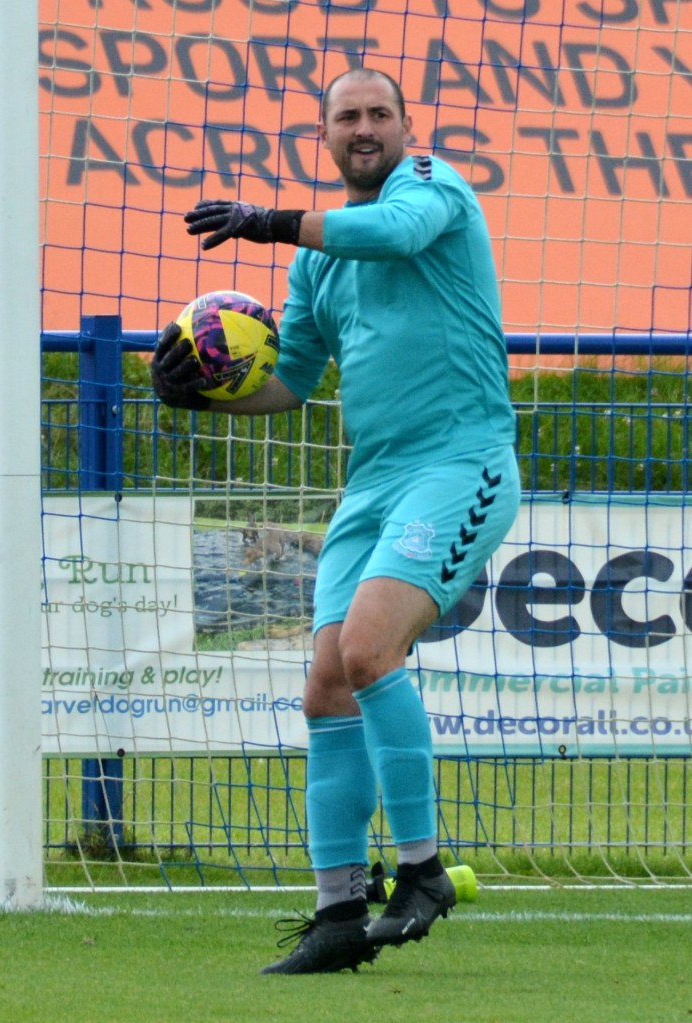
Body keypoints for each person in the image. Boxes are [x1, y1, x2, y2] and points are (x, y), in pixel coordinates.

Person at [151, 67, 520, 974]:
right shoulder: (314, 259)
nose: (364, 128)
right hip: (373, 482)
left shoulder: (430, 186)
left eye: (378, 114)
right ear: (322, 135)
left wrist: (268, 219)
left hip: (460, 460)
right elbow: (292, 379)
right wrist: (200, 398)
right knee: (325, 685)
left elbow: (393, 235)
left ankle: (422, 868)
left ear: (405, 126)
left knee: (366, 652)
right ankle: (337, 914)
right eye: (347, 116)